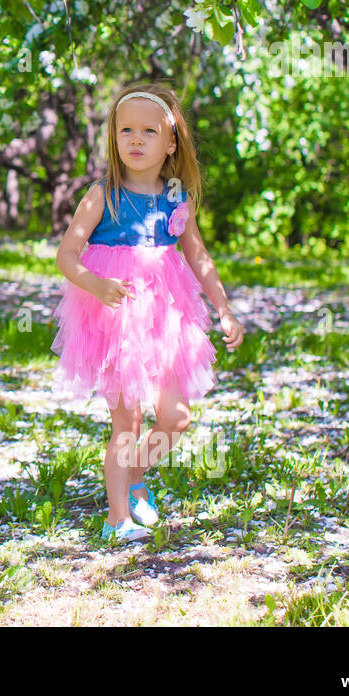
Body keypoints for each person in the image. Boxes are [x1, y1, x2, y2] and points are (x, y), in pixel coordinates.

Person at [51, 84, 245, 544]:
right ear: (115, 139)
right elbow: (66, 255)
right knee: (128, 422)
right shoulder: (103, 194)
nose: (135, 140)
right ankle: (117, 519)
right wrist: (96, 284)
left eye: (148, 131)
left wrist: (224, 308)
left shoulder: (177, 196)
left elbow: (198, 257)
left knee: (176, 418)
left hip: (168, 317)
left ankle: (136, 476)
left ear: (171, 141)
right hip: (116, 316)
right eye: (125, 131)